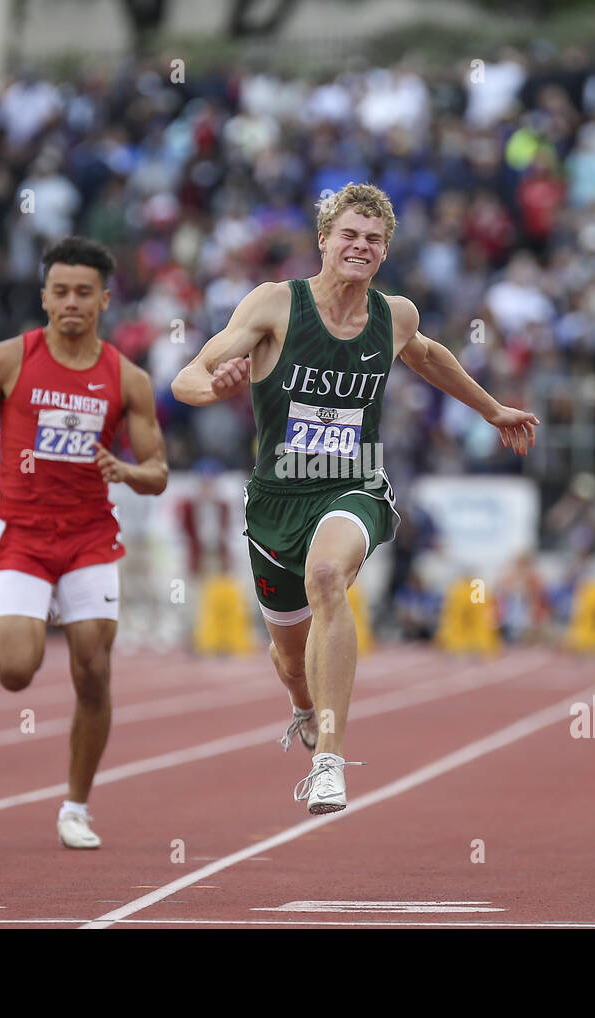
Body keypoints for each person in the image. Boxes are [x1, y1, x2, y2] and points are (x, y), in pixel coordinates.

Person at [171, 182, 538, 814]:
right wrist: (213, 388)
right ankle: (304, 709)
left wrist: (492, 409)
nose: (360, 247)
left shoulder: (394, 315)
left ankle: (330, 759)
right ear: (324, 240)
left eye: (373, 240)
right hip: (276, 500)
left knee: (327, 574)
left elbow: (428, 357)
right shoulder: (273, 305)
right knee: (290, 660)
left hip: (355, 486)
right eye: (349, 235)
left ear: (385, 251)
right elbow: (188, 375)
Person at [0, 236, 168, 849]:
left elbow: (158, 469)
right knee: (14, 670)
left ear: (104, 299)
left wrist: (127, 472)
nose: (72, 302)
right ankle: (30, 613)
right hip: (23, 537)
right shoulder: (10, 359)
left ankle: (75, 807)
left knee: (92, 672)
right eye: (61, 292)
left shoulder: (125, 377)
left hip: (89, 540)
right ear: (45, 298)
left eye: (84, 292)